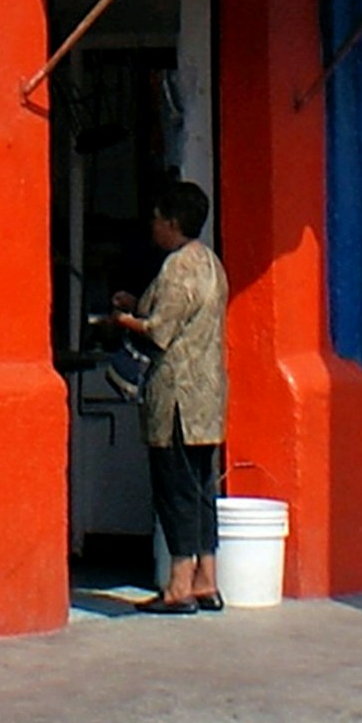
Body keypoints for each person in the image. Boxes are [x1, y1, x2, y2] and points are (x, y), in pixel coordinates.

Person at [108, 176, 229, 615]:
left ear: (173, 222)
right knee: (201, 490)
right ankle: (206, 580)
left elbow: (160, 331)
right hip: (208, 396)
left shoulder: (177, 266)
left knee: (175, 489)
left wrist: (121, 319)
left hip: (177, 398)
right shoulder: (211, 263)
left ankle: (179, 584)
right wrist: (140, 302)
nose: (153, 226)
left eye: (158, 218)